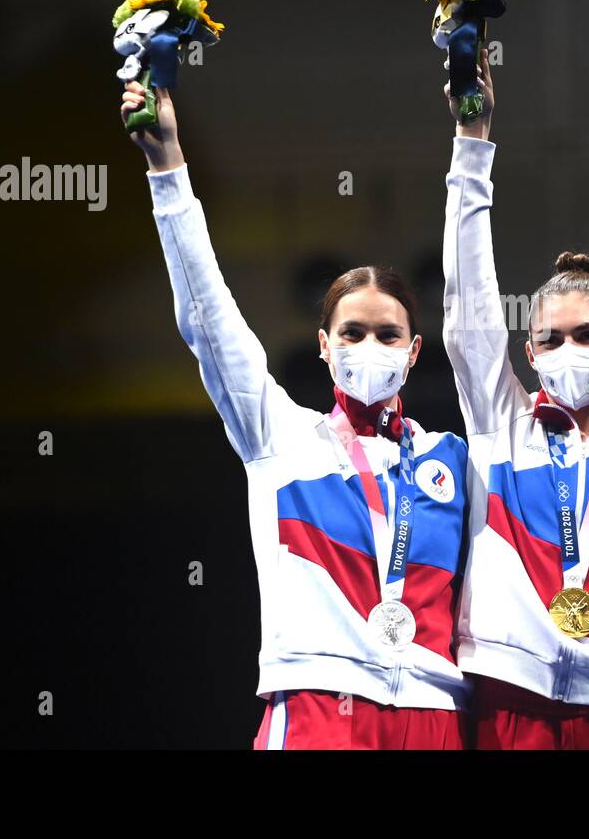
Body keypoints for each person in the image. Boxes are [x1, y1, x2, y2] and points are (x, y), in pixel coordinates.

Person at [120, 81, 471, 749]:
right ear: (323, 346)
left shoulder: (454, 458)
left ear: (416, 350)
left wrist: (473, 137)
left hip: (435, 716)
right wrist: (167, 170)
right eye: (352, 332)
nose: (370, 347)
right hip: (317, 710)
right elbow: (208, 317)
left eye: (388, 334)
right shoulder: (279, 436)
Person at [441, 53, 589, 748]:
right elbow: (469, 308)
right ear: (529, 352)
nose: (571, 349)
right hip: (515, 708)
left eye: (588, 335)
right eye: (553, 337)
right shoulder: (501, 425)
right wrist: (472, 144)